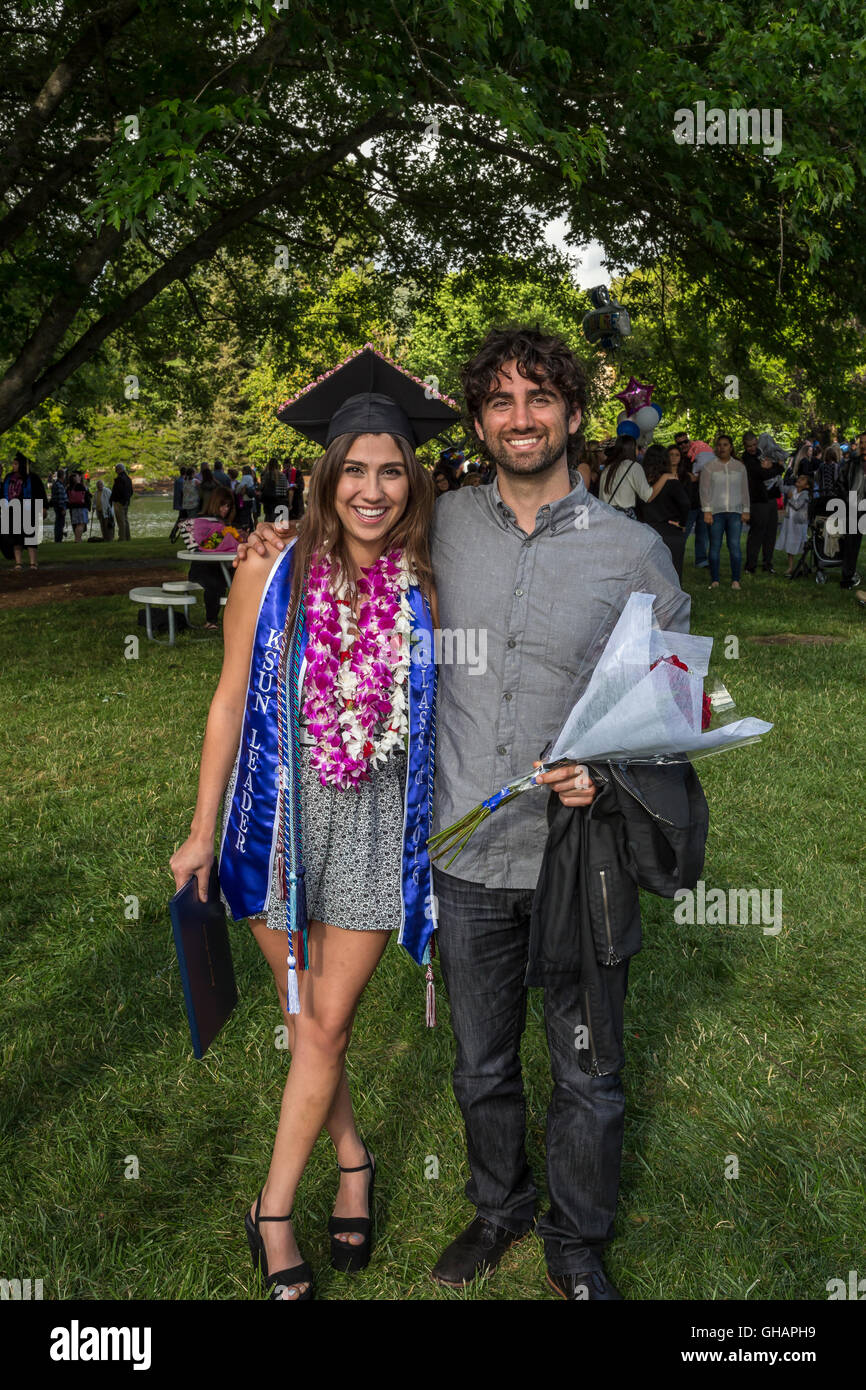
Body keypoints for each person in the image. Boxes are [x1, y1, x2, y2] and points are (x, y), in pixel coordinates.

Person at [239, 328, 693, 1301]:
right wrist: (276, 545)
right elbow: (349, 541)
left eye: (539, 399)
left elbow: (672, 701)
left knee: (585, 1071)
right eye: (499, 401)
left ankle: (575, 1247)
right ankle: (499, 1210)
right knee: (481, 1065)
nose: (519, 417)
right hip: (464, 856)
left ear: (574, 414)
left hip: (582, 854)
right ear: (480, 421)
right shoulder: (437, 529)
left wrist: (608, 771)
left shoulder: (634, 553)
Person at [170, 351, 457, 1301]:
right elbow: (225, 703)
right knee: (310, 1025)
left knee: (324, 1021)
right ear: (325, 475)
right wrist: (201, 828)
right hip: (277, 824)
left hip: (379, 828)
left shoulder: (428, 580)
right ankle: (356, 1162)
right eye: (354, 470)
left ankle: (273, 1210)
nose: (371, 490)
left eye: (390, 471)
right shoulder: (268, 572)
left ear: (411, 480)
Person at [700, 434, 749, 590]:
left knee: (734, 545)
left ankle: (736, 580)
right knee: (715, 546)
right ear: (716, 447)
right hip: (716, 513)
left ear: (731, 447)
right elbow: (704, 491)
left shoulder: (740, 467)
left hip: (735, 511)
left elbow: (744, 490)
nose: (722, 448)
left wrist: (746, 510)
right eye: (719, 445)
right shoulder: (709, 467)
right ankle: (715, 579)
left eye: (725, 445)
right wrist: (707, 511)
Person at [636, 443, 689, 580]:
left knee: (649, 576)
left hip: (647, 530)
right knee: (673, 574)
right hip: (670, 530)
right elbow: (685, 503)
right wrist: (682, 523)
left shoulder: (641, 482)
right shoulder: (671, 481)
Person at [741, 431, 783, 574]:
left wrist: (773, 466)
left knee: (771, 533)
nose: (752, 448)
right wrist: (778, 467)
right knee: (757, 533)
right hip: (758, 501)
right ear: (745, 446)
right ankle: (750, 565)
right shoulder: (747, 459)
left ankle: (768, 563)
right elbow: (763, 474)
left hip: (771, 499)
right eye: (749, 446)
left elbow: (772, 469)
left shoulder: (761, 453)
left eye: (754, 444)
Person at [598, 437, 666, 516]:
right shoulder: (634, 466)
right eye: (637, 447)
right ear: (631, 449)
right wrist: (665, 477)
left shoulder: (607, 468)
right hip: (623, 518)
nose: (638, 450)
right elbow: (648, 496)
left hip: (605, 514)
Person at [1, 452, 46, 568]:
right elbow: (3, 494)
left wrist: (43, 507)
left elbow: (40, 493)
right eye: (13, 464)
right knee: (16, 539)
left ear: (21, 465)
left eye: (15, 464)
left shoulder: (32, 478)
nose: (13, 466)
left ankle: (32, 563)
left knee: (30, 538)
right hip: (12, 511)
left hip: (28, 510)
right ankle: (18, 563)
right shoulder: (8, 478)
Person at [838, 432, 865, 590]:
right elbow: (840, 482)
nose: (863, 445)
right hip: (854, 505)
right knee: (851, 544)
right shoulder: (852, 463)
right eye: (861, 442)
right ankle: (847, 578)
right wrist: (848, 499)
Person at [778, 472, 811, 577]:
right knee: (790, 542)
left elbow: (797, 506)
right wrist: (778, 477)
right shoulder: (792, 488)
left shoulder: (805, 495)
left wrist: (791, 498)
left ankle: (802, 565)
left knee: (800, 543)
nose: (799, 480)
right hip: (789, 522)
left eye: (803, 480)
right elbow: (782, 488)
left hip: (799, 524)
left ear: (807, 486)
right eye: (799, 478)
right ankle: (791, 566)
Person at [260, 457, 289, 523]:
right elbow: (287, 487)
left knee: (270, 524)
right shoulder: (283, 475)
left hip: (271, 503)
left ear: (269, 465)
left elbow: (262, 487)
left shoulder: (267, 475)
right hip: (282, 502)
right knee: (281, 525)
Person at [66, 469, 90, 542]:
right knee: (81, 523)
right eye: (78, 476)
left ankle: (78, 539)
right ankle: (77, 539)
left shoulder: (69, 487)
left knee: (77, 524)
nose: (80, 477)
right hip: (81, 507)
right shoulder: (79, 486)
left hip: (73, 507)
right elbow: (86, 495)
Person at [110, 464, 133, 540]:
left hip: (119, 502)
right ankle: (127, 537)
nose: (115, 471)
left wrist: (114, 499)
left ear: (119, 469)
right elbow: (131, 492)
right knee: (125, 520)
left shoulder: (119, 479)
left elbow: (117, 492)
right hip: (126, 502)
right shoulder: (128, 479)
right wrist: (127, 500)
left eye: (116, 469)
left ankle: (122, 538)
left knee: (121, 521)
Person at [49, 468, 68, 543]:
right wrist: (63, 508)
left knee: (58, 523)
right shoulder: (59, 485)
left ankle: (58, 539)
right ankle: (58, 539)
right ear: (62, 476)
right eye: (64, 475)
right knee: (60, 524)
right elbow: (60, 498)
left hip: (57, 507)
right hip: (60, 507)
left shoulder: (56, 484)